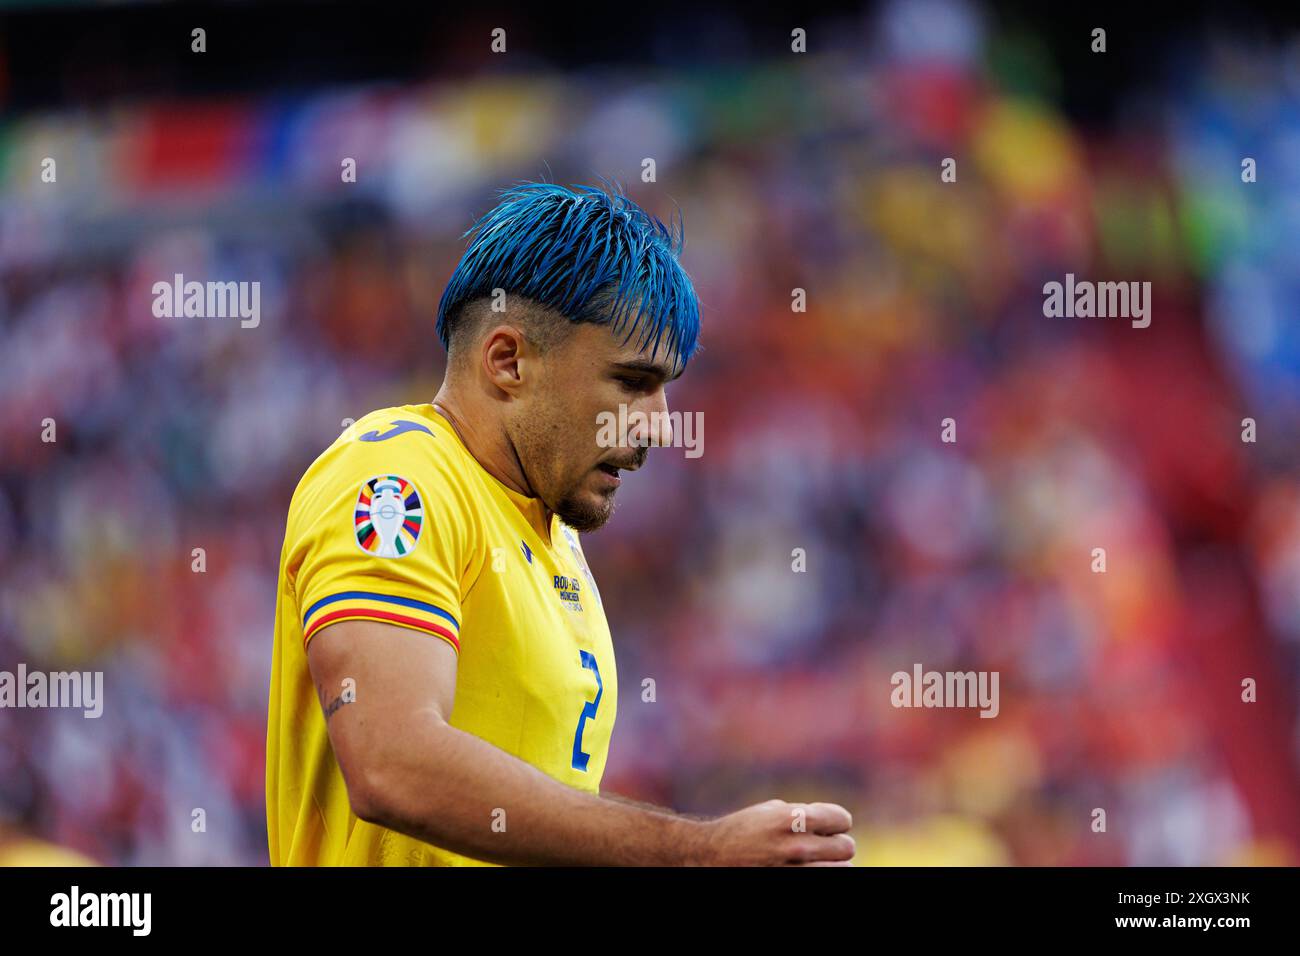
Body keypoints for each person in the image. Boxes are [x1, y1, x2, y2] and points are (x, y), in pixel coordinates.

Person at [265, 182, 855, 865]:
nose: (659, 426)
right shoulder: (398, 481)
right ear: (508, 361)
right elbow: (393, 764)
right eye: (632, 383)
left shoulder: (557, 542)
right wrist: (695, 850)